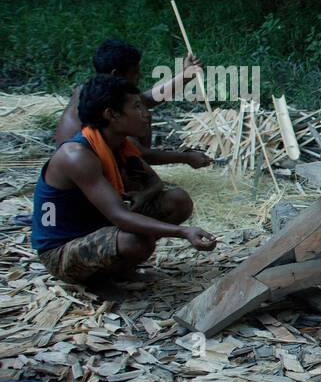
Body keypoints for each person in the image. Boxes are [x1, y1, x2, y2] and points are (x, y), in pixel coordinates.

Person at [32, 74, 216, 285]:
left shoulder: (120, 144)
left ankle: (117, 267)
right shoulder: (77, 155)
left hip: (99, 226)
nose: (146, 114)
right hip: (62, 249)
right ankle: (105, 278)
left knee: (177, 200)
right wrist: (183, 232)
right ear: (112, 115)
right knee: (136, 241)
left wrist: (144, 195)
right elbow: (119, 215)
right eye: (137, 107)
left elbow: (154, 182)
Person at [54, 39, 212, 169]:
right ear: (116, 74)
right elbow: (139, 152)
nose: (140, 76)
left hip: (96, 164)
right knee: (139, 117)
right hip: (87, 171)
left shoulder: (102, 91)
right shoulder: (99, 103)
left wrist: (185, 76)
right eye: (135, 72)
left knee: (140, 113)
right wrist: (186, 158)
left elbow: (146, 100)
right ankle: (136, 174)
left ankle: (139, 174)